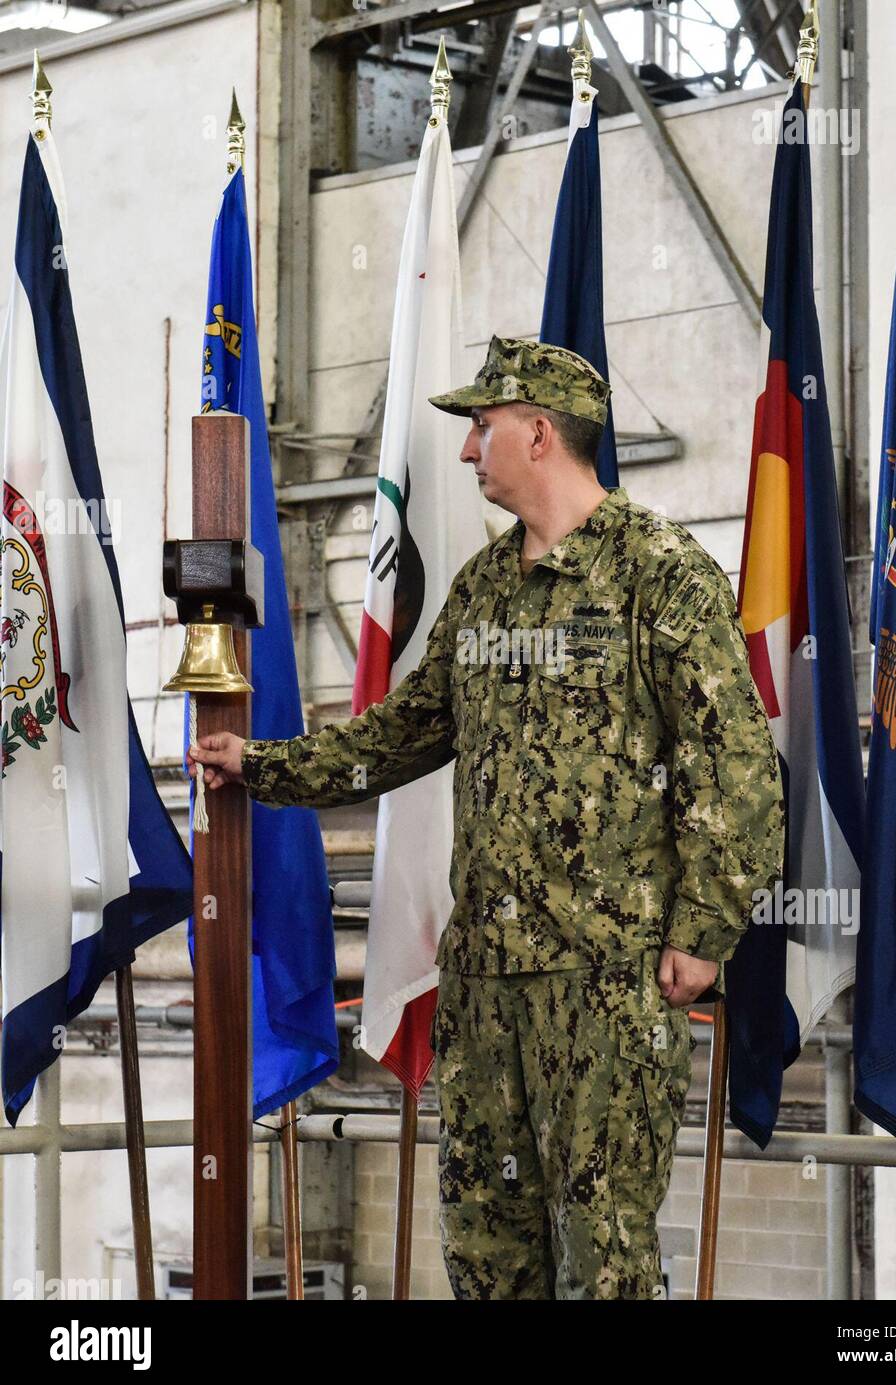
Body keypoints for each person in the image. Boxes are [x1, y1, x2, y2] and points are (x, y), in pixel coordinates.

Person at [187, 334, 785, 1300]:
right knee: (488, 1258)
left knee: (606, 1262)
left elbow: (739, 770)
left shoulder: (661, 575)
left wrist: (703, 932)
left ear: (539, 433)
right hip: (484, 988)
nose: (468, 451)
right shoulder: (485, 588)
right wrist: (260, 767)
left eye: (483, 426)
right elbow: (403, 733)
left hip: (605, 982)